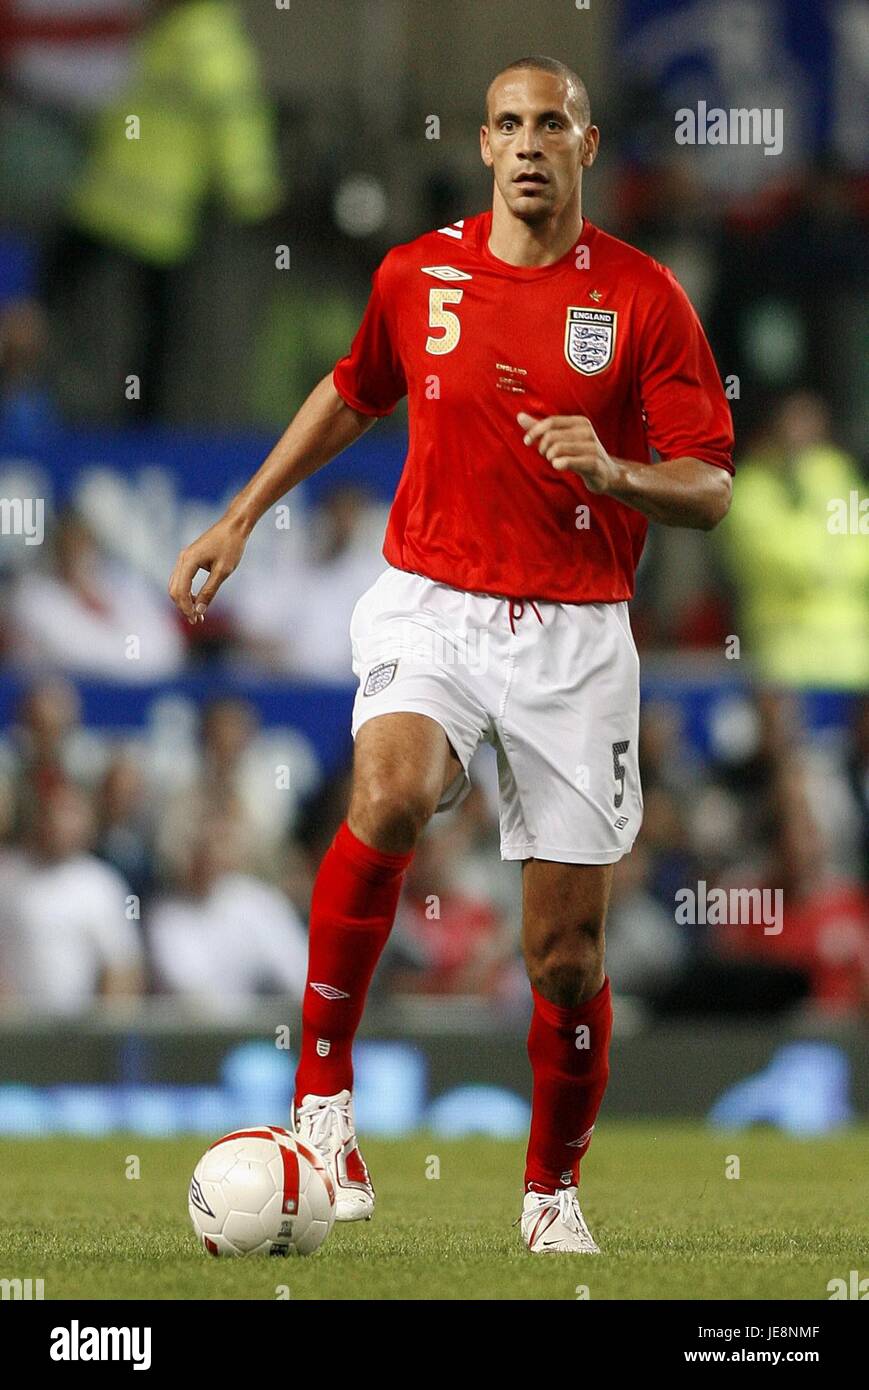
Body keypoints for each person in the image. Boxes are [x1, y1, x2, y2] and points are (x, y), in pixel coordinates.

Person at [168, 56, 734, 1254]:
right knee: (390, 789)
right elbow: (353, 388)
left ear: (585, 148)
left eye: (553, 125)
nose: (530, 143)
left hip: (577, 635)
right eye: (509, 125)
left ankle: (548, 1194)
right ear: (483, 146)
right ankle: (321, 1106)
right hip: (431, 598)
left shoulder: (641, 300)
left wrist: (617, 471)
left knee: (565, 955)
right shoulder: (417, 271)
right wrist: (240, 514)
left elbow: (710, 483)